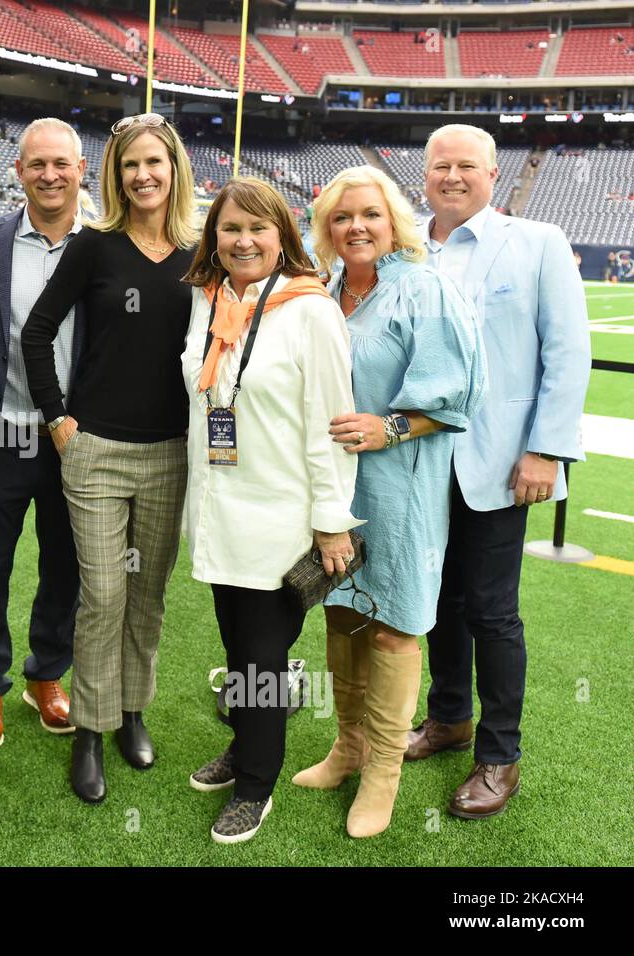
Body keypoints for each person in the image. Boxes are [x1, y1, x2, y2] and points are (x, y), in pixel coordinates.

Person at [290, 165, 485, 838]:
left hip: (400, 486)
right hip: (332, 489)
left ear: (392, 219)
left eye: (369, 214)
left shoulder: (423, 288)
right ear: (327, 227)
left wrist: (390, 425)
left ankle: (383, 773)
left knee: (393, 622)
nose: (356, 227)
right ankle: (348, 748)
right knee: (341, 611)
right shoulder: (327, 289)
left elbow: (460, 394)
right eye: (343, 217)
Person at [405, 125, 590, 820]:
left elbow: (568, 352)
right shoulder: (410, 245)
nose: (452, 177)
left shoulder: (536, 242)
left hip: (502, 461)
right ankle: (447, 718)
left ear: (492, 173)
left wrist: (545, 449)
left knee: (490, 610)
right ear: (425, 174)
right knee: (436, 601)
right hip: (421, 461)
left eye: (466, 167)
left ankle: (499, 755)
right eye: (440, 166)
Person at [21, 113, 198, 804]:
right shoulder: (95, 246)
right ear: (116, 175)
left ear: (174, 167)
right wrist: (59, 420)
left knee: (146, 597)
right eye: (130, 165)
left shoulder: (199, 249)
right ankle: (90, 731)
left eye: (154, 161)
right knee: (102, 596)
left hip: (172, 453)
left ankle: (131, 712)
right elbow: (37, 333)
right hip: (94, 450)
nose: (143, 174)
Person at [179, 178, 358, 843]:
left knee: (261, 657)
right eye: (230, 229)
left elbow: (330, 422)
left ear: (283, 236)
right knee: (240, 645)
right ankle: (247, 745)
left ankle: (256, 783)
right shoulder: (210, 301)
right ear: (214, 238)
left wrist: (332, 518)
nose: (243, 240)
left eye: (258, 228)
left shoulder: (310, 311)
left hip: (282, 512)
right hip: (222, 507)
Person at [0, 118, 87, 749]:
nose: (49, 175)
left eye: (60, 163)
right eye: (37, 164)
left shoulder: (102, 245)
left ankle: (47, 675)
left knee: (65, 566)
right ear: (19, 171)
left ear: (81, 169)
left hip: (72, 437)